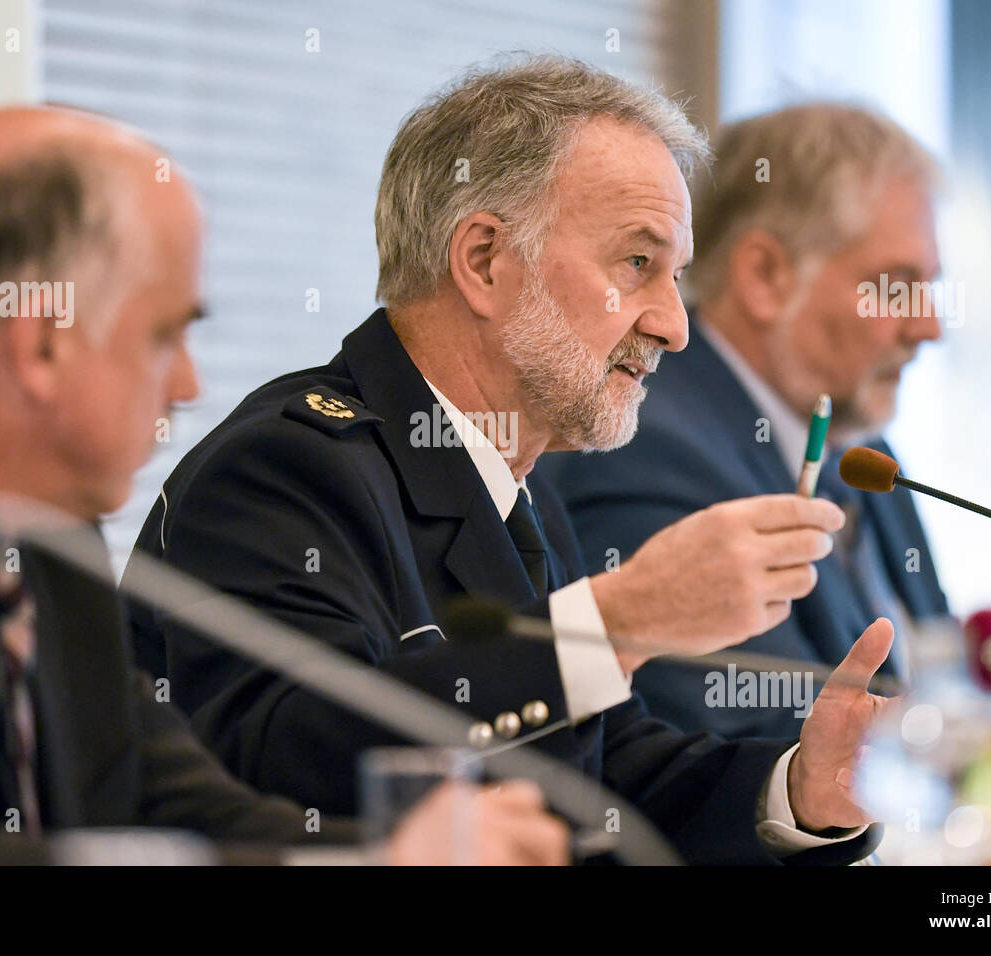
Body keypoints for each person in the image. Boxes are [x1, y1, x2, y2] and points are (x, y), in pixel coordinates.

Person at [128, 56, 896, 865]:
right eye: (638, 264)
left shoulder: (518, 484)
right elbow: (291, 767)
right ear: (486, 261)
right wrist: (618, 623)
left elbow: (602, 785)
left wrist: (802, 788)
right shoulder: (283, 471)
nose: (674, 324)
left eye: (675, 277)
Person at [0, 105, 568, 865]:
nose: (187, 383)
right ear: (42, 342)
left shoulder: (40, 517)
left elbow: (165, 799)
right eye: (164, 336)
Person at [543, 103, 950, 738]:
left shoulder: (856, 443)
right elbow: (746, 754)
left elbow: (933, 677)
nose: (929, 326)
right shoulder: (647, 451)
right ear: (765, 275)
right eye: (895, 287)